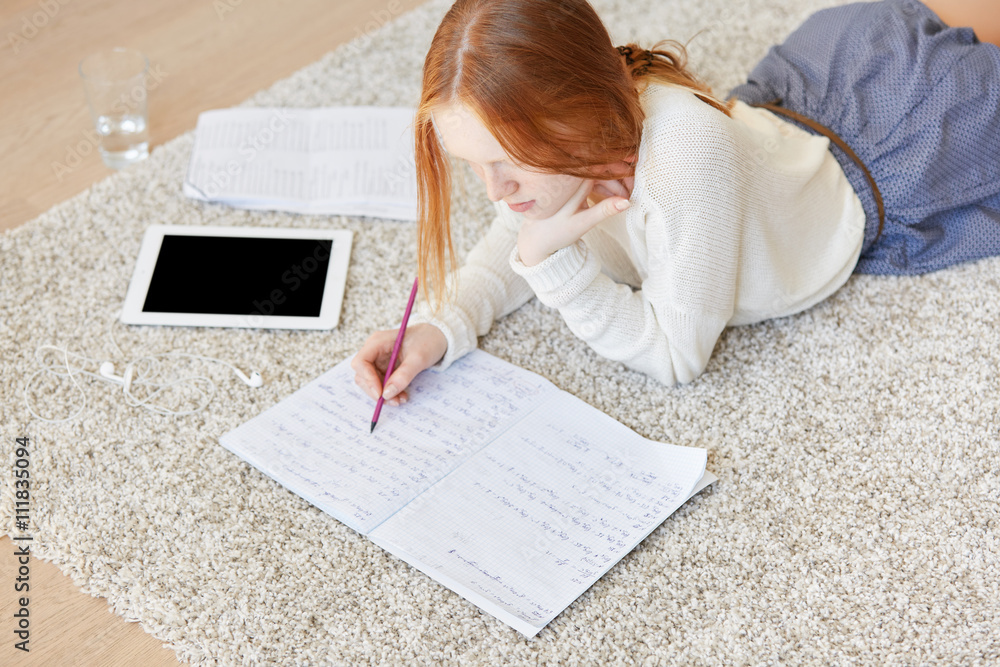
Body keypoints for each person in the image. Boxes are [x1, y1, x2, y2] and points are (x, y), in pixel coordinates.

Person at [352, 0, 1000, 405]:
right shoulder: (569, 138)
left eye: (507, 164)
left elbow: (676, 357)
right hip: (801, 105)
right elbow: (513, 236)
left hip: (896, 147)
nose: (495, 192)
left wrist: (556, 270)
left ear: (573, 117)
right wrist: (443, 326)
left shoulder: (685, 152)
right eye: (475, 168)